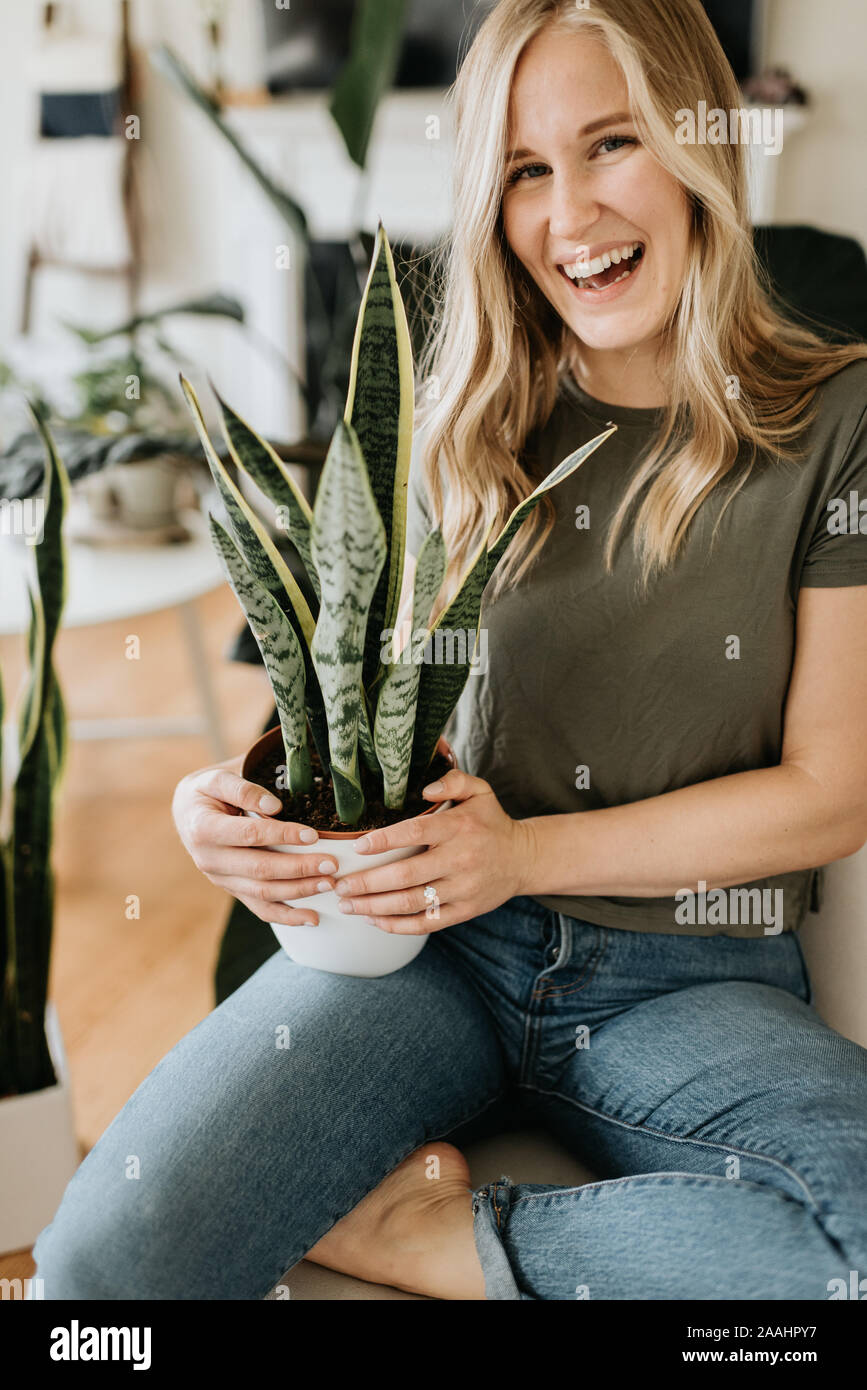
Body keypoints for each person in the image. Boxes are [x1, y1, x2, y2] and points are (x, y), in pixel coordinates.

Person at [34, 0, 867, 1300]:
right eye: (528, 170)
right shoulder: (460, 421)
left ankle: (433, 1243)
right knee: (97, 1279)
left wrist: (527, 854)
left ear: (698, 142)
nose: (571, 214)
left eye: (611, 144)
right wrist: (240, 808)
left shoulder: (838, 422)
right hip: (431, 950)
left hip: (693, 978)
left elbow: (832, 792)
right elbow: (388, 738)